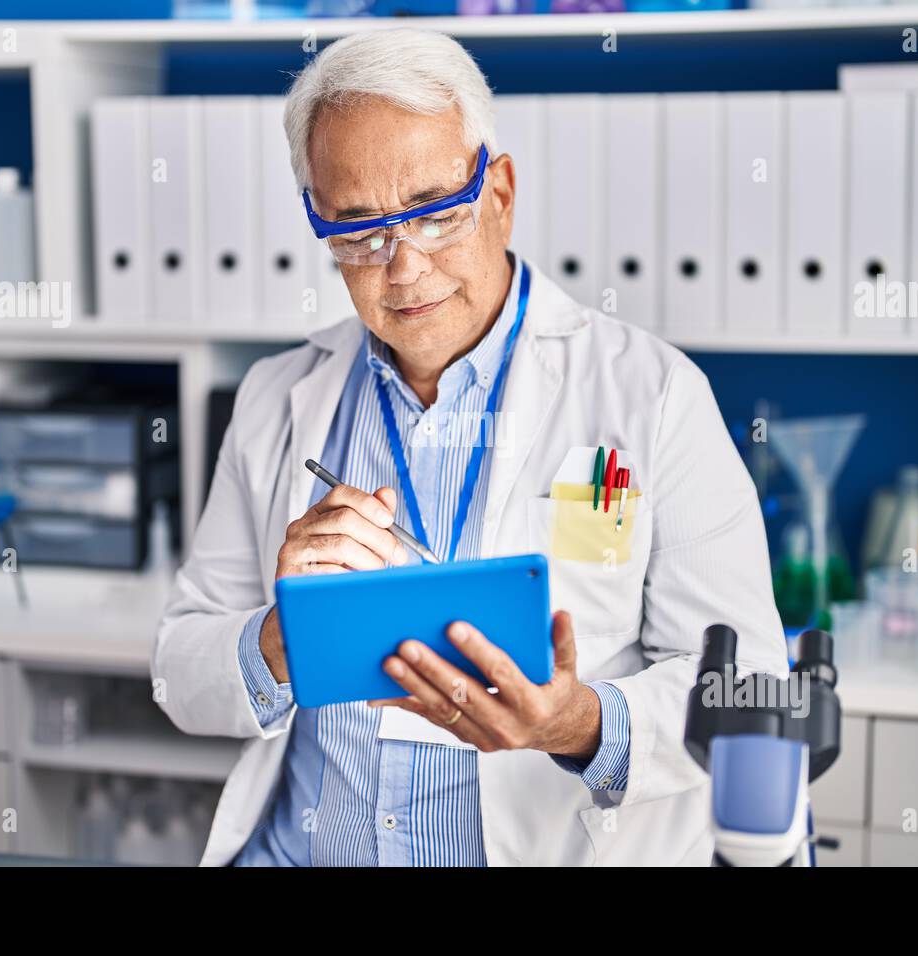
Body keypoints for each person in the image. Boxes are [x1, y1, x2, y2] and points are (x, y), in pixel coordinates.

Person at [154, 27, 786, 866]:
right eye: (358, 232)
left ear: (500, 193)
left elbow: (747, 694)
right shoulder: (277, 399)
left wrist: (576, 723)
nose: (404, 268)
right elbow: (179, 673)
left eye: (437, 215)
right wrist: (280, 636)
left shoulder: (653, 395)